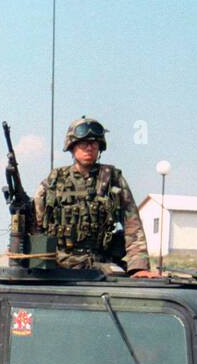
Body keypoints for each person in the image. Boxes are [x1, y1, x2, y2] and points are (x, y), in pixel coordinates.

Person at [32, 117, 155, 277]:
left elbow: (132, 224)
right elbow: (35, 225)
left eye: (94, 144)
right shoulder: (54, 181)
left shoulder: (112, 179)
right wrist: (37, 264)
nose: (89, 148)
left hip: (100, 264)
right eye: (84, 144)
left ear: (100, 147)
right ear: (72, 147)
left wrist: (138, 267)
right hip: (59, 265)